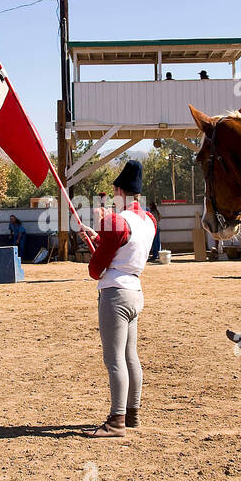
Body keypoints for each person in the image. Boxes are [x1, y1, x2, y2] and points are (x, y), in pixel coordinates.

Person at [86, 160, 156, 438]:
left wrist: (100, 237)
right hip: (135, 289)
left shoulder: (116, 221)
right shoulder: (148, 220)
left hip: (115, 291)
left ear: (119, 191)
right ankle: (132, 413)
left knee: (113, 359)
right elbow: (122, 245)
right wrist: (98, 236)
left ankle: (116, 421)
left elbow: (96, 269)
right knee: (130, 356)